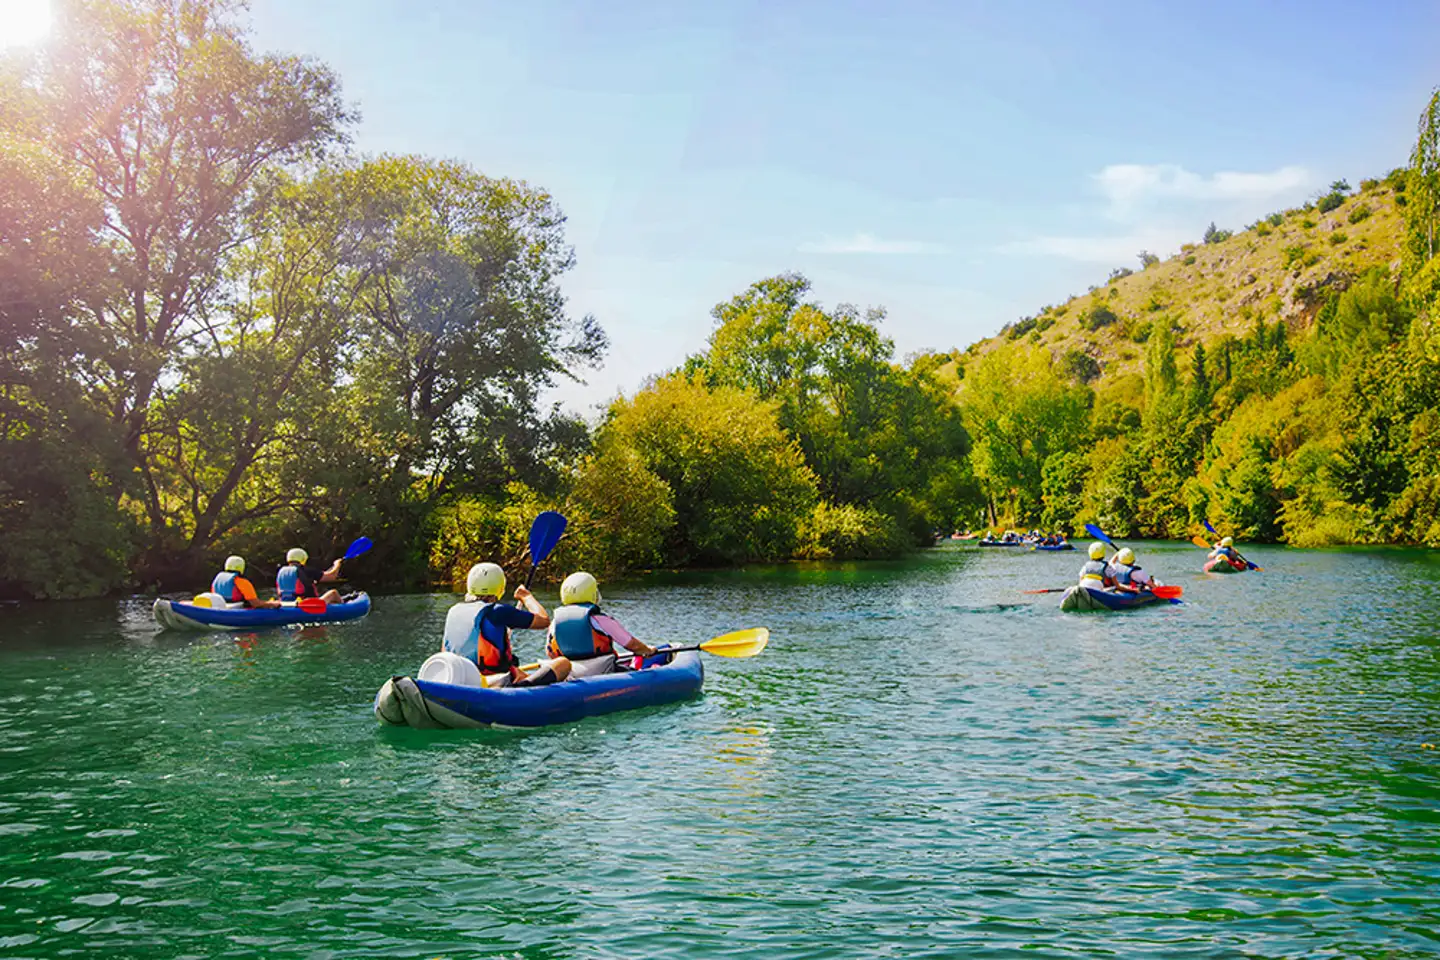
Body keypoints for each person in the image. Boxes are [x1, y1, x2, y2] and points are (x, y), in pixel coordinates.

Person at [441, 562, 569, 687]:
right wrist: (526, 597)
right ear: (500, 587)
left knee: (518, 671)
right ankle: (521, 688)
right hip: (490, 681)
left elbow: (445, 650)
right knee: (563, 664)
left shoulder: (453, 611)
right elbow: (544, 620)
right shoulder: (498, 611)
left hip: (458, 676)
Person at [545, 572, 657, 678]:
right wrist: (648, 651)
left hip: (571, 674)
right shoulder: (601, 620)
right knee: (638, 671)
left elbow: (550, 653)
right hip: (602, 672)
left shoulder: (555, 623)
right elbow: (632, 645)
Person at [275, 548, 343, 604]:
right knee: (333, 593)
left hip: (285, 603)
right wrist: (337, 564)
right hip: (308, 605)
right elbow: (331, 576)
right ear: (303, 558)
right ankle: (344, 608)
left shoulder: (281, 571)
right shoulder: (305, 570)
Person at [211, 555, 279, 609]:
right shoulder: (242, 582)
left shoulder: (216, 580)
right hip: (238, 610)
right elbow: (255, 604)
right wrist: (272, 604)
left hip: (220, 608)